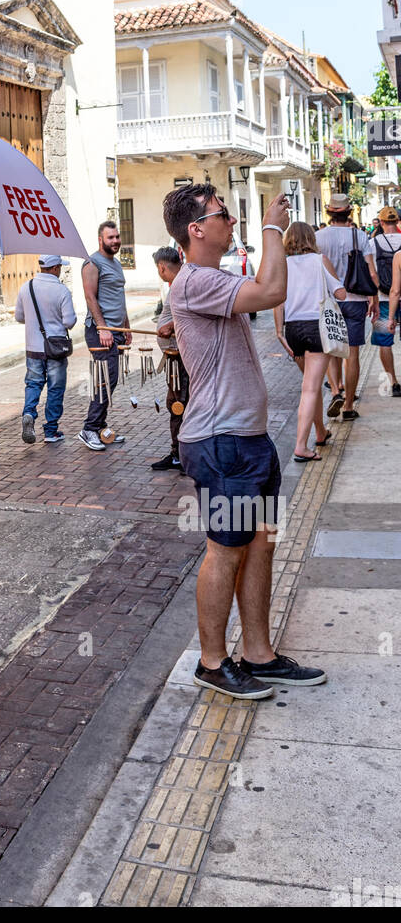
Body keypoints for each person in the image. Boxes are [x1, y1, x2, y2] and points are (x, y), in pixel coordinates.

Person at [162, 184, 325, 701]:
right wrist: (273, 227)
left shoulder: (210, 279)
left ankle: (259, 653)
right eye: (223, 214)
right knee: (226, 550)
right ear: (196, 229)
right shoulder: (193, 281)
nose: (231, 221)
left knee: (258, 546)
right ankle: (212, 663)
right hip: (220, 440)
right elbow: (271, 291)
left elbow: (260, 285)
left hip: (246, 438)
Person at [272, 223, 346, 461]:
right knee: (311, 388)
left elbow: (278, 300)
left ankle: (321, 432)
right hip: (317, 327)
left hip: (292, 329)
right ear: (310, 239)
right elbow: (340, 293)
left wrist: (279, 331)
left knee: (309, 387)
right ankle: (301, 446)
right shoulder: (319, 260)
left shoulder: (282, 265)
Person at [315, 194, 378, 422]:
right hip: (356, 300)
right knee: (352, 354)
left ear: (329, 212)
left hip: (329, 300)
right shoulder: (360, 236)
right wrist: (375, 299)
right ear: (349, 212)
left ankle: (335, 392)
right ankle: (349, 405)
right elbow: (371, 272)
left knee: (332, 349)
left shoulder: (318, 237)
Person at [78, 220, 130, 452]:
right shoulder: (92, 262)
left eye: (117, 236)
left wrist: (125, 326)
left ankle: (99, 427)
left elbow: (119, 296)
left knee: (111, 379)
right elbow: (90, 297)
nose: (116, 241)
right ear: (101, 240)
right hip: (101, 331)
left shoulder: (115, 263)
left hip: (116, 331)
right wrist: (103, 327)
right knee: (105, 379)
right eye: (111, 238)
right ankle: (89, 428)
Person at [14, 254, 77, 445]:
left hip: (33, 348)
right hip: (56, 348)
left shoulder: (27, 287)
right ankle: (51, 430)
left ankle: (29, 414)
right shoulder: (62, 291)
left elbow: (19, 317)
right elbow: (69, 321)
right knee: (55, 389)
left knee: (33, 384)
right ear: (55, 268)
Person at [151, 246, 189, 473]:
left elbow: (190, 311)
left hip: (180, 359)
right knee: (176, 404)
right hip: (174, 358)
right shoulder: (180, 282)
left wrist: (171, 325)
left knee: (179, 404)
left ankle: (183, 456)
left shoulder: (181, 284)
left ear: (162, 267)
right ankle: (178, 453)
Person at [370, 206, 401, 396]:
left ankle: (393, 382)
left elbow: (371, 273)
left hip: (383, 299)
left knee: (384, 342)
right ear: (397, 221)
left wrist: (372, 298)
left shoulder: (372, 243)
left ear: (381, 223)